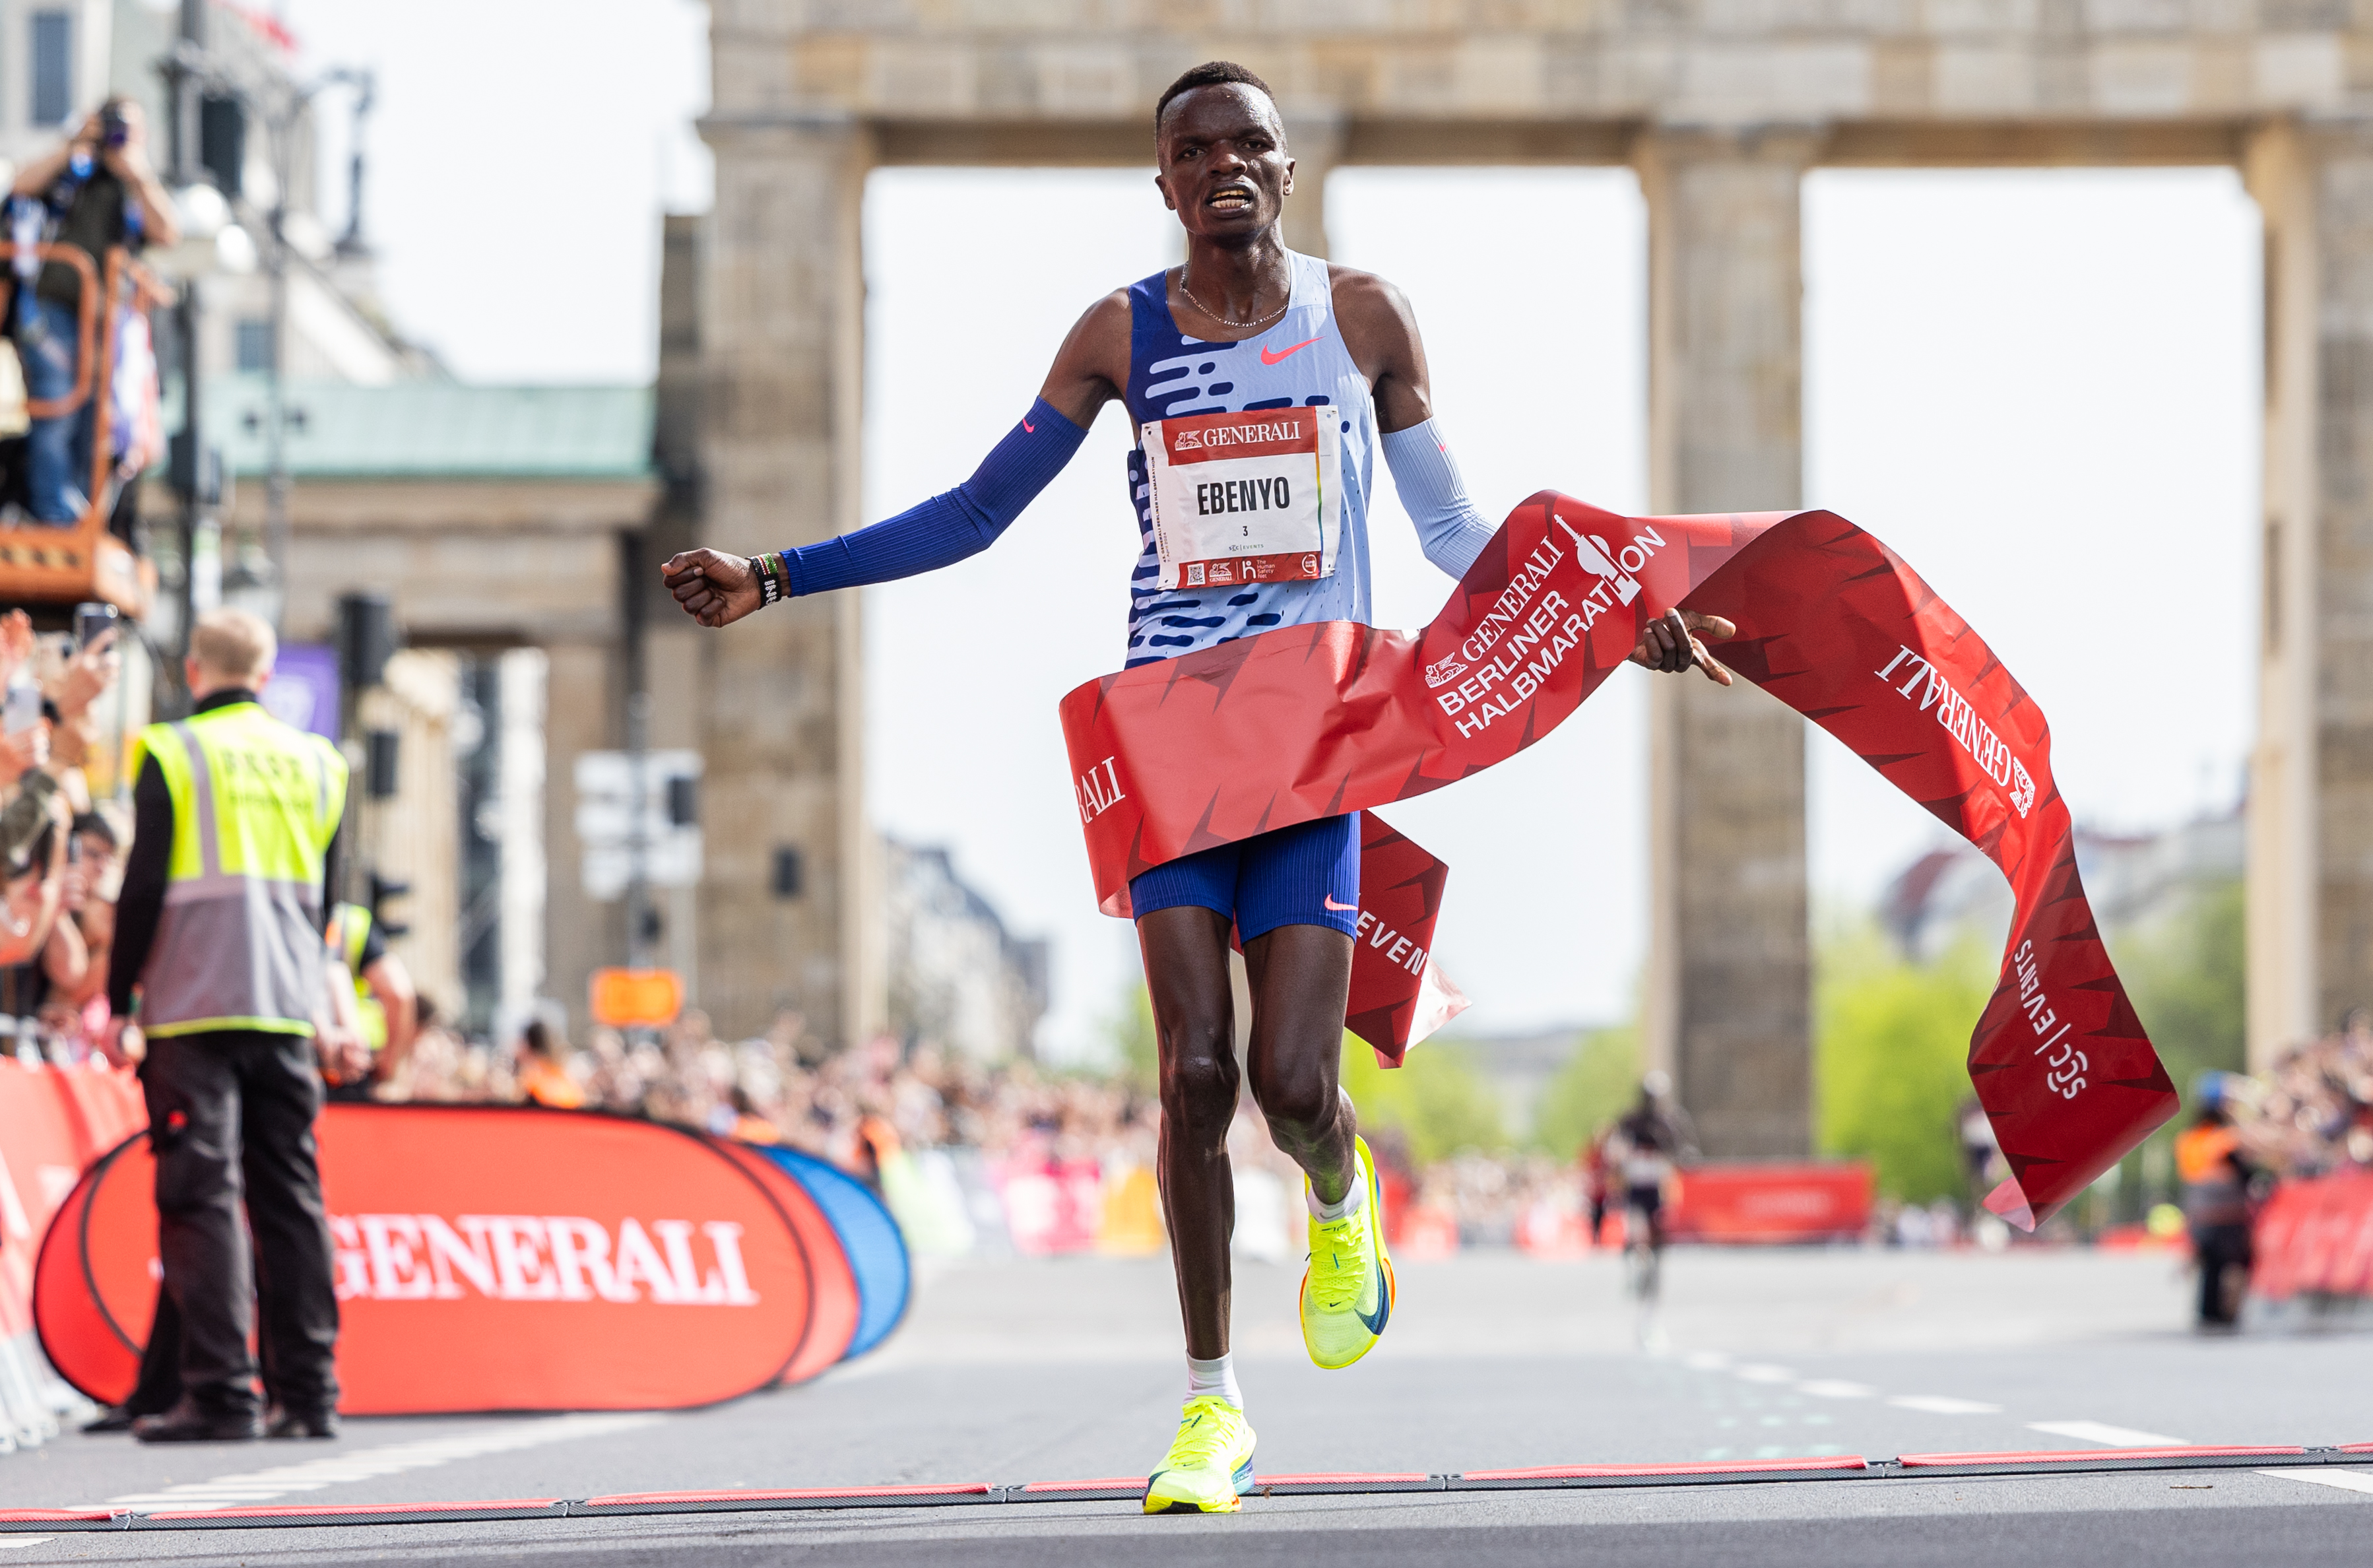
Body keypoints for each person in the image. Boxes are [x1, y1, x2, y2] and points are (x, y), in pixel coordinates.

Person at [660, 60, 1734, 1515]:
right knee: (1193, 1073)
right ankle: (1212, 1408)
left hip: (1313, 744)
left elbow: (1451, 531)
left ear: (1285, 173)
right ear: (1162, 186)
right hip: (1169, 741)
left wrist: (1614, 620)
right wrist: (778, 573)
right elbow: (979, 513)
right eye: (1195, 151)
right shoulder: (1123, 333)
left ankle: (1339, 1189)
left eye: (1251, 147)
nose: (1225, 167)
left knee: (1293, 1085)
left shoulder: (1361, 319)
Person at [102, 608, 350, 1443]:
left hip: (191, 1004)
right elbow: (330, 902)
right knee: (291, 1198)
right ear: (269, 672)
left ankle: (219, 1394)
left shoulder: (172, 752)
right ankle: (309, 1395)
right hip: (285, 1006)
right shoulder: (318, 762)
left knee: (202, 1198)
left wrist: (117, 997)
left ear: (194, 670)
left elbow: (140, 891)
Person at [7, 98, 179, 523]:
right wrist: (74, 143)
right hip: (54, 309)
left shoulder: (135, 183)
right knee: (57, 408)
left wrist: (136, 172)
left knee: (97, 420)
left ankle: (79, 513)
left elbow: (168, 232)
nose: (117, 137)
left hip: (107, 321)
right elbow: (20, 186)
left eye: (128, 129)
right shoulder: (75, 169)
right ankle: (56, 516)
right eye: (112, 127)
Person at [321, 900, 418, 1101]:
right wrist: (388, 1069)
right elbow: (399, 993)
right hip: (354, 1064)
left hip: (301, 1053)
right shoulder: (349, 920)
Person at [2176, 1099, 2257, 1330]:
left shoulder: (2188, 1139)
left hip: (2199, 1212)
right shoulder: (2224, 1138)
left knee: (2209, 1268)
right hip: (2228, 1213)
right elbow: (2244, 1172)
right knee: (2232, 1265)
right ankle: (2227, 1314)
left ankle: (2206, 1313)